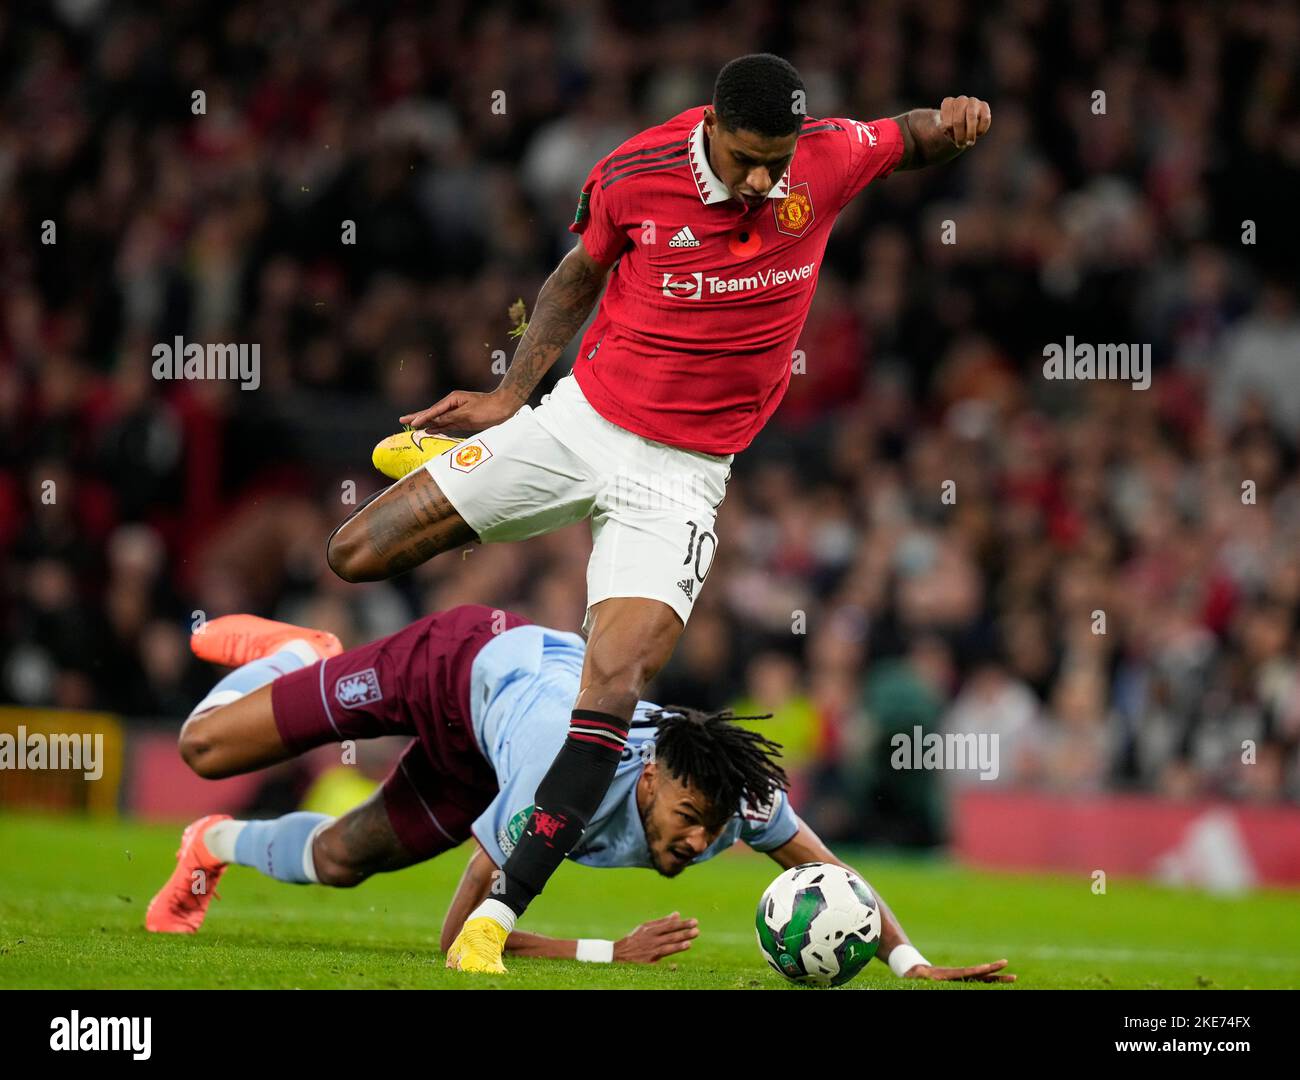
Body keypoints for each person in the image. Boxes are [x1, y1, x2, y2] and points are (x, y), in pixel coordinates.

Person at [324, 53, 992, 971]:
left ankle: (496, 915)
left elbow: (907, 137)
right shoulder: (634, 172)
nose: (765, 180)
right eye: (750, 159)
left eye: (779, 161)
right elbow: (573, 277)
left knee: (616, 685)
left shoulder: (826, 158)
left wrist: (953, 124)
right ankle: (465, 459)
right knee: (354, 554)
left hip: (680, 477)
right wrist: (509, 396)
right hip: (579, 424)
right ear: (710, 126)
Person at [146, 606, 1014, 983]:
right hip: (452, 667)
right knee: (205, 745)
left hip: (491, 743)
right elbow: (460, 942)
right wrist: (609, 954)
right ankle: (303, 652)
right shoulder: (562, 783)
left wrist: (909, 961)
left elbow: (833, 871)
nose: (693, 844)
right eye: (684, 825)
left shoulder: (724, 792)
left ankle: (209, 845)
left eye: (709, 836)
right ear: (646, 776)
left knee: (339, 862)